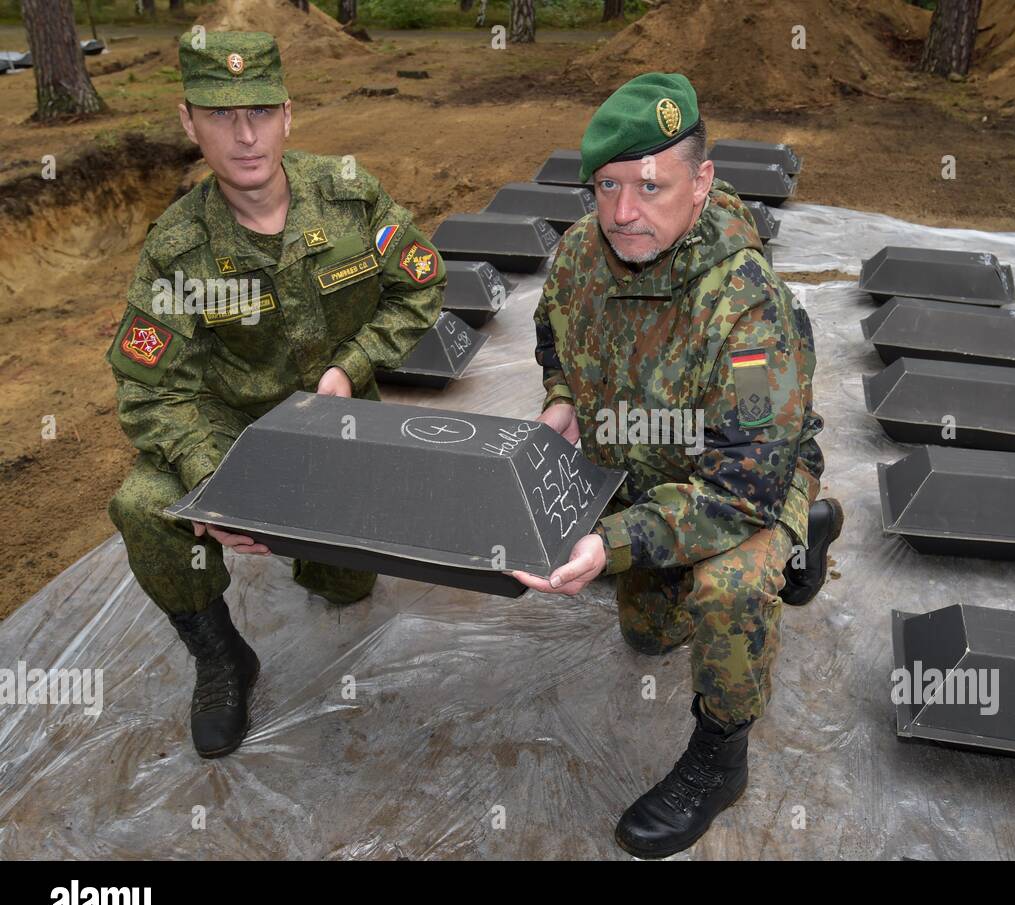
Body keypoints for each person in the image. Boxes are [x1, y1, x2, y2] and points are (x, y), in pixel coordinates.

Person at [516, 73, 843, 859]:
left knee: (725, 590)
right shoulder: (576, 256)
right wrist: (561, 400)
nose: (625, 212)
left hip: (747, 485)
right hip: (641, 472)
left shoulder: (746, 302)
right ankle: (811, 544)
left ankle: (719, 759)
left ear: (701, 183)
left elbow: (740, 487)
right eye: (608, 185)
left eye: (652, 186)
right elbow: (551, 335)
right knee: (648, 634)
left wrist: (609, 545)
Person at [105, 31, 446, 759]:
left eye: (261, 110)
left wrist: (349, 369)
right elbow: (148, 390)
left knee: (347, 587)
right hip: (228, 433)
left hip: (336, 427)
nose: (245, 133)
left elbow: (419, 284)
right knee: (141, 505)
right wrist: (216, 482)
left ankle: (312, 542)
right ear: (188, 122)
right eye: (221, 115)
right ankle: (222, 658)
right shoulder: (177, 250)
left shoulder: (350, 196)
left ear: (289, 114)